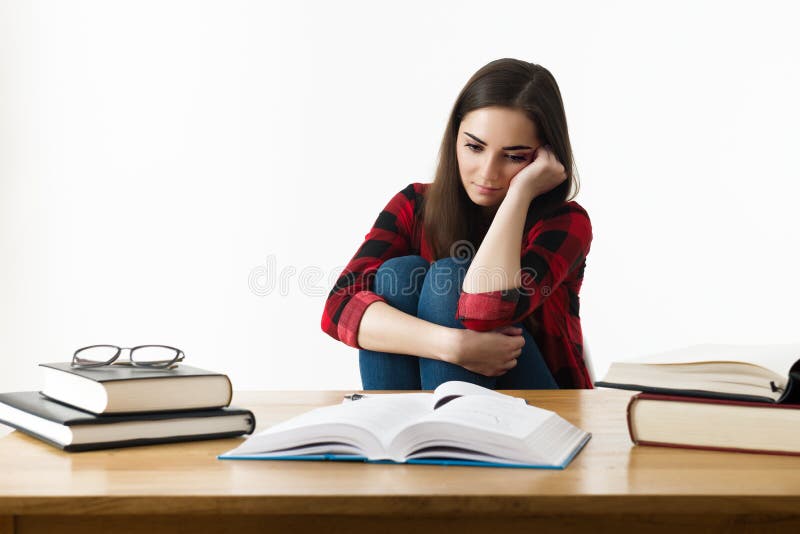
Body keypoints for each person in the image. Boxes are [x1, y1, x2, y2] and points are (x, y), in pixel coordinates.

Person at [321, 58, 593, 391]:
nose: (487, 172)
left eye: (514, 156)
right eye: (474, 147)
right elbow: (338, 308)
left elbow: (485, 311)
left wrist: (520, 195)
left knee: (448, 275)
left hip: (546, 412)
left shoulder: (565, 222)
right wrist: (456, 347)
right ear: (455, 137)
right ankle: (405, 438)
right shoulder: (414, 205)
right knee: (401, 273)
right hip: (447, 390)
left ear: (543, 157)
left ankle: (437, 440)